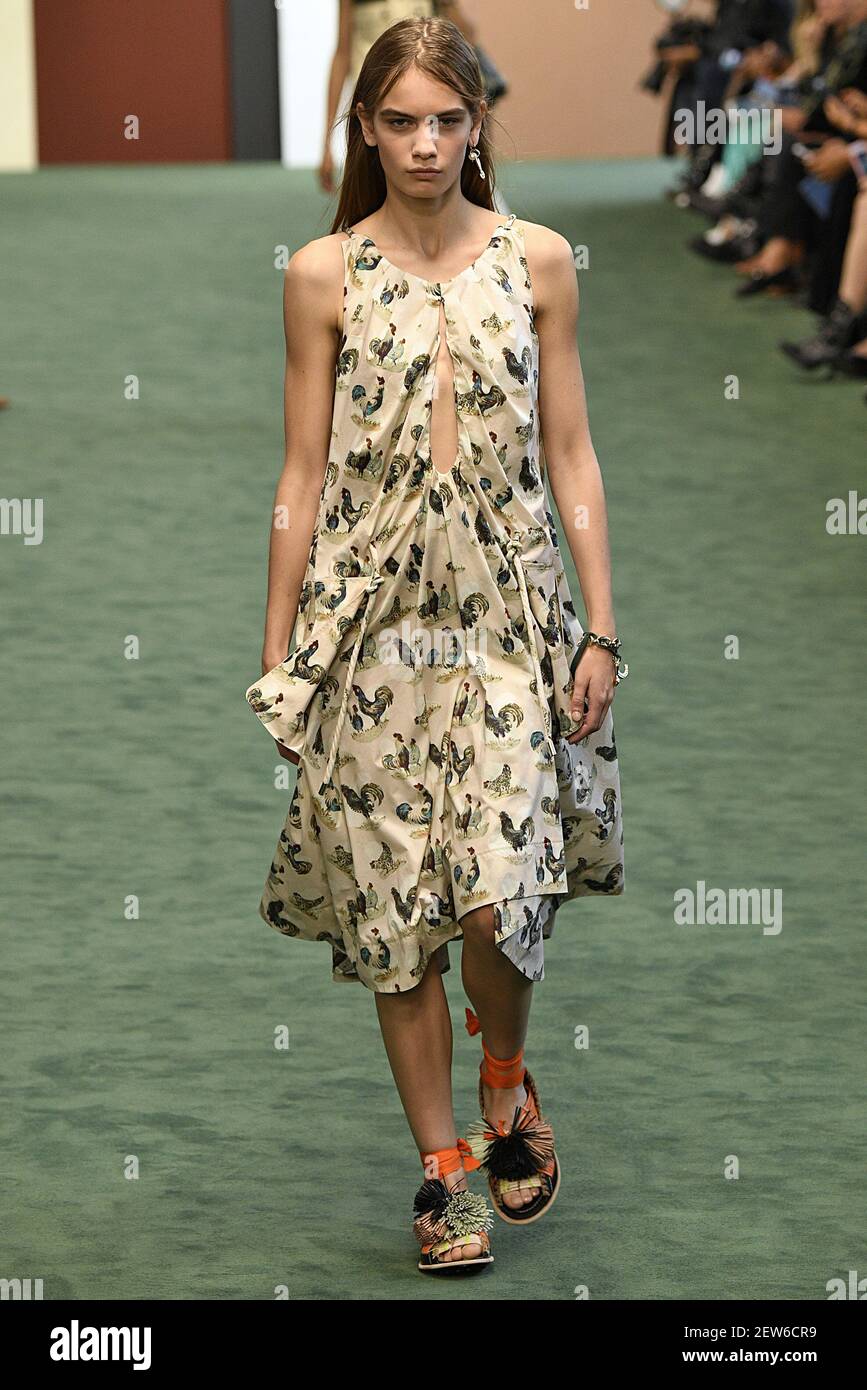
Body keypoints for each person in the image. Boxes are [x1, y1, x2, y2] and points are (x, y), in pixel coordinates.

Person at [246, 15, 627, 1274]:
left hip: (511, 619)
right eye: (399, 121)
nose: (423, 143)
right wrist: (282, 657)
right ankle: (443, 1167)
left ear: (477, 128)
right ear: (366, 129)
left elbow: (571, 452)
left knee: (496, 896)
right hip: (369, 628)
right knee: (394, 910)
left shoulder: (541, 261)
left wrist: (602, 627)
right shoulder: (320, 273)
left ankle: (505, 1074)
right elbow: (301, 472)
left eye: (447, 121)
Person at [319, 0, 477, 194]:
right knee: (370, 192)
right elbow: (342, 55)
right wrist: (326, 144)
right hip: (376, 107)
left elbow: (466, 42)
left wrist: (448, 5)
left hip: (427, 105)